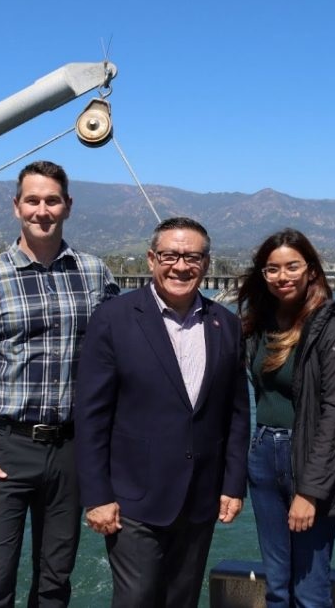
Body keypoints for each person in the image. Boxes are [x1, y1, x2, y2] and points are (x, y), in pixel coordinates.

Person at [0, 160, 119, 607]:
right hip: (3, 449)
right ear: (16, 206)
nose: (42, 210)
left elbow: (120, 358)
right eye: (33, 200)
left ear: (68, 206)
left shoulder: (95, 274)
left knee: (55, 580)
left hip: (70, 449)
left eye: (52, 200)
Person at [74, 216, 250, 608]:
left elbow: (236, 413)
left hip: (201, 496)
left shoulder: (228, 325)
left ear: (207, 264)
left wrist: (233, 484)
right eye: (170, 255)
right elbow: (91, 415)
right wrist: (96, 495)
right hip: (133, 496)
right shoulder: (113, 319)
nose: (181, 266)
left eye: (192, 257)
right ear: (152, 259)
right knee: (137, 599)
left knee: (182, 600)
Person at [235, 228, 335, 608]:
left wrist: (311, 491)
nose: (282, 276)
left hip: (307, 462)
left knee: (310, 588)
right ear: (262, 274)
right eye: (272, 269)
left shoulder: (332, 327)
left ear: (311, 271)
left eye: (292, 266)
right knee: (277, 585)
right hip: (263, 457)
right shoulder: (258, 324)